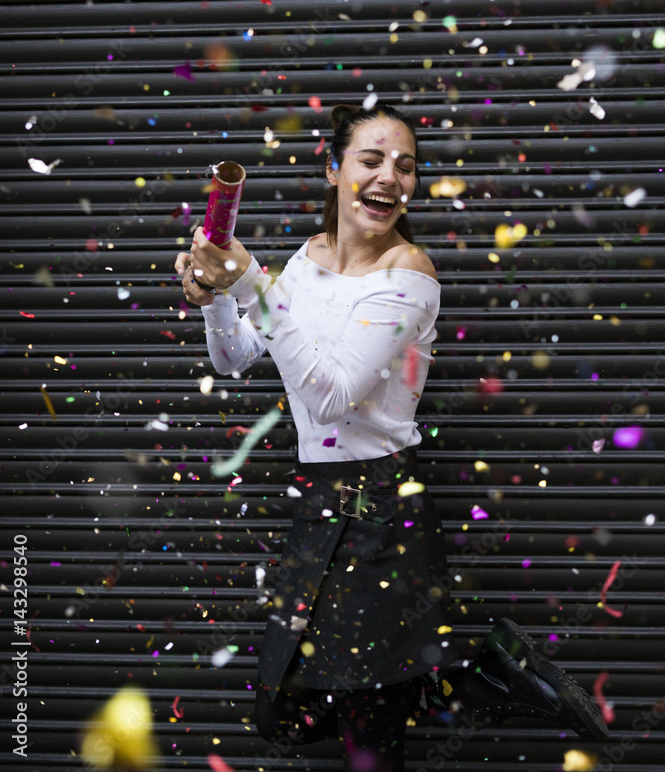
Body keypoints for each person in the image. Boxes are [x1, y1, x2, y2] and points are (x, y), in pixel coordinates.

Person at [175, 105, 608, 772]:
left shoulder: (410, 277)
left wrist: (251, 281)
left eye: (404, 166)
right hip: (323, 503)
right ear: (332, 169)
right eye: (370, 160)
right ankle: (489, 679)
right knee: (285, 708)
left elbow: (328, 394)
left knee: (370, 737)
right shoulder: (307, 259)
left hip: (381, 507)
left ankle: (484, 681)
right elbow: (234, 357)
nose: (388, 178)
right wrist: (216, 301)